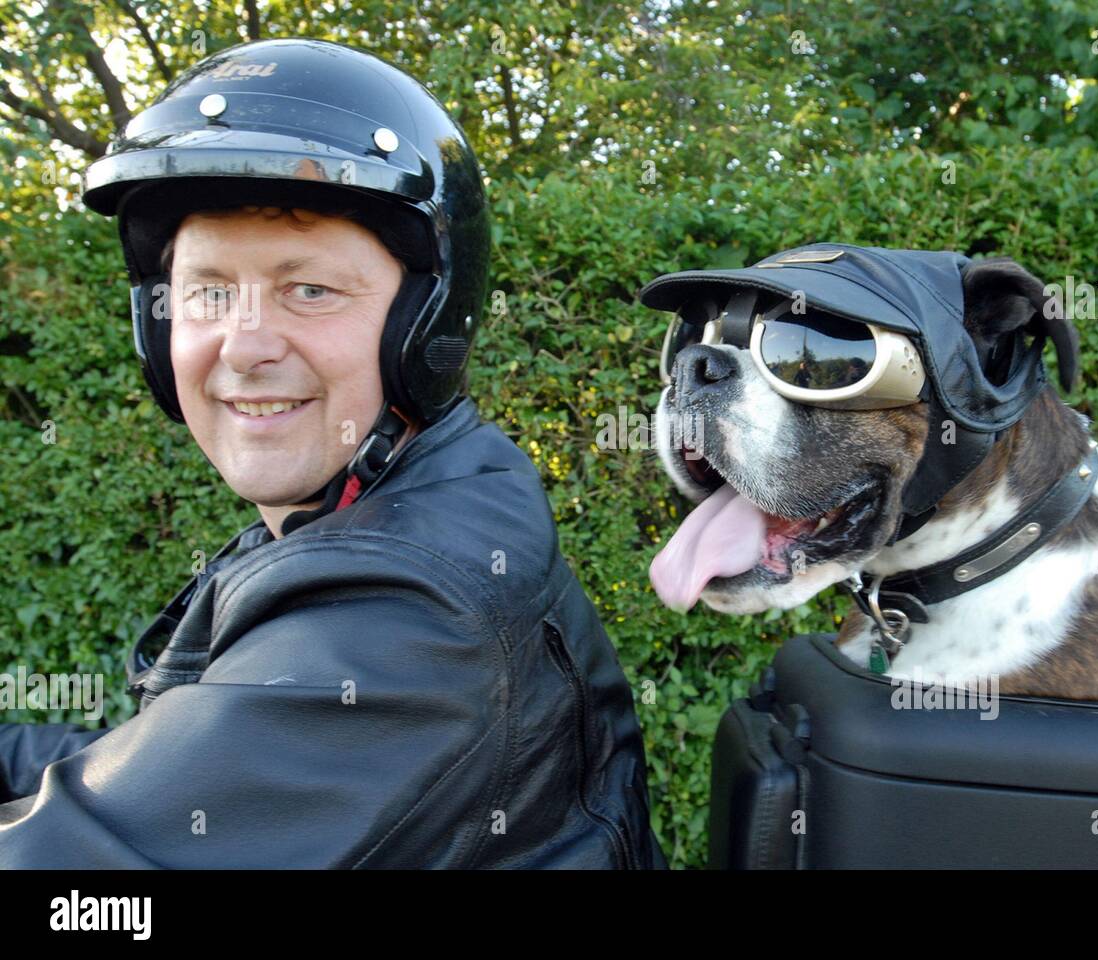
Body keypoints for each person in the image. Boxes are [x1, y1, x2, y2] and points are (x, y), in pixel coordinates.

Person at [0, 38, 666, 869]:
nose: (243, 346)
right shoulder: (410, 498)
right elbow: (164, 763)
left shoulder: (412, 611)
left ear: (423, 324)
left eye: (308, 289)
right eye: (208, 291)